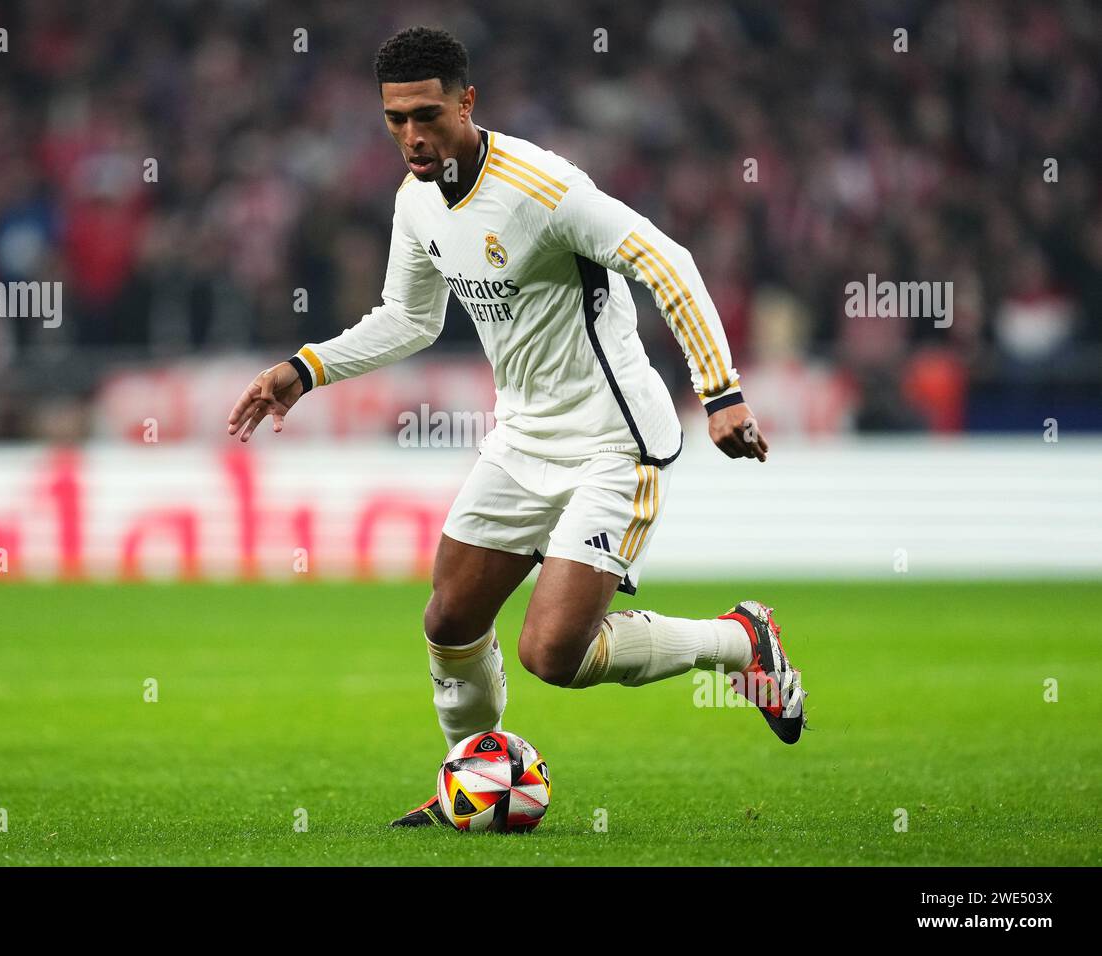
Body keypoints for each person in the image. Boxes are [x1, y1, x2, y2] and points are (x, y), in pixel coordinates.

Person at [227, 26, 807, 828]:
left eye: (427, 114)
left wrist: (722, 395)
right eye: (394, 119)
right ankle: (467, 780)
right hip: (524, 439)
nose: (411, 136)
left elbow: (666, 260)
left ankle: (743, 642)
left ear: (467, 102)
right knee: (449, 620)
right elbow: (409, 318)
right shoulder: (416, 200)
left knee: (551, 656)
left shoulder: (543, 188)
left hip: (613, 441)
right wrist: (305, 368)